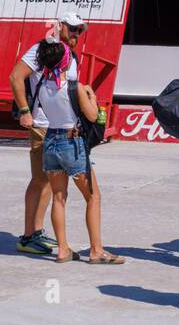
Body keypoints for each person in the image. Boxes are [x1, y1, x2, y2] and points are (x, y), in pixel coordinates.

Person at [22, 33, 123, 265]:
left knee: (59, 197)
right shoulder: (74, 87)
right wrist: (92, 96)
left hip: (51, 140)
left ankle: (63, 249)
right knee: (93, 197)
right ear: (67, 61)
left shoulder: (41, 87)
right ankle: (96, 250)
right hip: (72, 142)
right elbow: (91, 114)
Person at [9, 11, 89, 255]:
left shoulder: (69, 54)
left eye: (80, 30)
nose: (76, 34)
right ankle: (28, 235)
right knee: (41, 180)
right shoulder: (40, 49)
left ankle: (36, 231)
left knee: (50, 183)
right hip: (43, 124)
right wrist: (24, 111)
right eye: (73, 28)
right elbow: (15, 77)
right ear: (60, 26)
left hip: (62, 126)